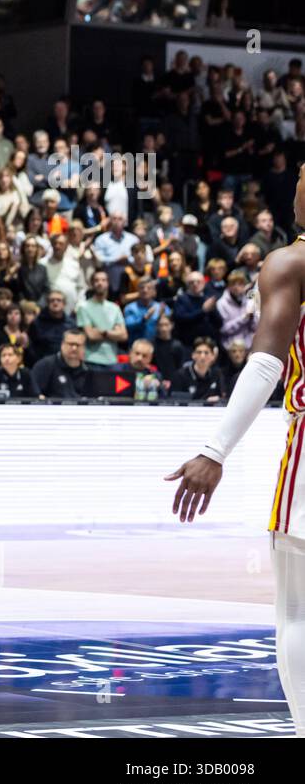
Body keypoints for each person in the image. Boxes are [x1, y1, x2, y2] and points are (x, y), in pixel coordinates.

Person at [166, 164, 305, 734]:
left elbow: (268, 362)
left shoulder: (291, 261)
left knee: (297, 611)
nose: (294, 188)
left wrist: (215, 448)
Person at [76, 269, 127, 368]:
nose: (100, 283)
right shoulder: (83, 307)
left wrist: (103, 332)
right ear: (92, 284)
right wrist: (113, 332)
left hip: (112, 360)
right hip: (91, 360)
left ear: (108, 283)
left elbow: (123, 336)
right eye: (97, 280)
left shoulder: (115, 308)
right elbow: (91, 335)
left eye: (103, 280)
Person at [31, 328, 90, 399]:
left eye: (78, 345)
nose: (74, 348)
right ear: (62, 344)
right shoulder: (45, 365)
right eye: (71, 344)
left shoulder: (88, 370)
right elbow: (33, 394)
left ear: (84, 347)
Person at [171, 336, 227, 401]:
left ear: (213, 356)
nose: (202, 356)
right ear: (193, 355)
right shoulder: (180, 376)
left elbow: (223, 398)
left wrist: (219, 399)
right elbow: (174, 402)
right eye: (199, 352)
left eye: (206, 353)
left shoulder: (217, 374)